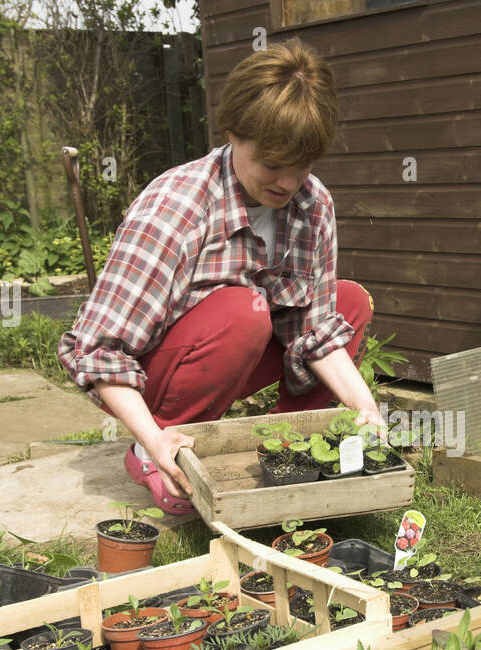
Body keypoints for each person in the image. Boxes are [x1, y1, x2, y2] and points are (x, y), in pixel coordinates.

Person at [58, 38, 383, 515]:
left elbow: (313, 331)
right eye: (272, 164)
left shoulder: (313, 205)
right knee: (243, 309)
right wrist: (153, 434)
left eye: (302, 167)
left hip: (235, 352)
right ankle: (160, 452)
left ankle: (289, 449)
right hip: (154, 374)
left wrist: (366, 408)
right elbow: (96, 349)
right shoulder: (176, 207)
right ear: (232, 133)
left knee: (348, 301)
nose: (288, 183)